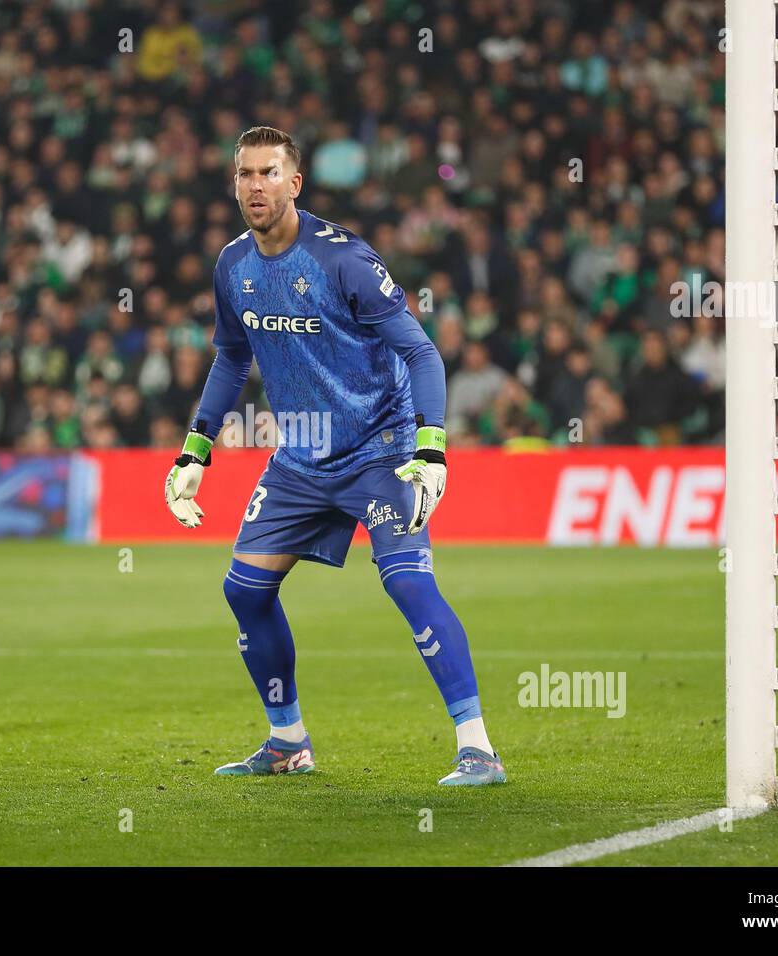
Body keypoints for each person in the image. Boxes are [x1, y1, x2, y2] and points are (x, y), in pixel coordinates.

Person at [164, 127, 506, 786]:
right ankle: (288, 742)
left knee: (407, 580)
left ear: (295, 183)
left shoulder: (343, 260)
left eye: (268, 173)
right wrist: (194, 451)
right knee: (245, 589)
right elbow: (233, 357)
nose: (255, 186)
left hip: (380, 448)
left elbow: (422, 352)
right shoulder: (233, 265)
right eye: (245, 175)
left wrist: (431, 450)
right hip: (301, 457)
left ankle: (478, 749)